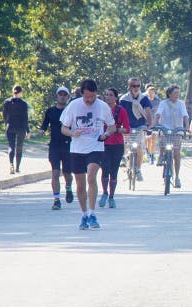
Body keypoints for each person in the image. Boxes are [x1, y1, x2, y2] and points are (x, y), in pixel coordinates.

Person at [60, 78, 116, 230]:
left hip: (96, 146)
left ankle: (92, 213)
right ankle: (84, 214)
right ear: (82, 94)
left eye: (93, 96)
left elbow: (112, 126)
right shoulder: (73, 106)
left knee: (91, 175)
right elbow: (63, 128)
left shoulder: (102, 106)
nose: (90, 100)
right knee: (80, 183)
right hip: (77, 149)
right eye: (87, 97)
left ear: (96, 93)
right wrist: (72, 132)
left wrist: (106, 134)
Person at [39, 86, 73, 210]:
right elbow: (44, 124)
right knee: (55, 172)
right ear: (56, 96)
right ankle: (57, 199)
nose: (62, 97)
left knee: (67, 174)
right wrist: (42, 131)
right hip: (54, 145)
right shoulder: (50, 111)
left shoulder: (71, 111)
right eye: (60, 94)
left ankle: (68, 188)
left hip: (68, 145)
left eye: (65, 95)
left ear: (68, 97)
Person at [98, 88, 130, 209]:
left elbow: (127, 129)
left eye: (111, 95)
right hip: (104, 144)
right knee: (104, 169)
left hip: (117, 144)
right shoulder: (100, 110)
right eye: (106, 95)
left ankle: (111, 196)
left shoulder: (121, 111)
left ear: (116, 97)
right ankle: (104, 192)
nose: (108, 97)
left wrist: (115, 130)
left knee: (114, 170)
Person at [153, 84, 190, 187]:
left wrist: (187, 127)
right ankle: (160, 156)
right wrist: (154, 124)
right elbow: (158, 114)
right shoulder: (163, 103)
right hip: (165, 129)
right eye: (175, 93)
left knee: (177, 153)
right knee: (162, 139)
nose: (177, 95)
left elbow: (185, 116)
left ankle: (177, 177)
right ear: (169, 94)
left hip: (177, 131)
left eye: (178, 93)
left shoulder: (181, 103)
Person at [119, 77, 153, 179]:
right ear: (129, 87)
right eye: (133, 86)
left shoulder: (144, 98)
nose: (136, 88)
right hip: (127, 127)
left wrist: (149, 125)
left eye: (138, 86)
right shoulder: (124, 99)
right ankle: (125, 160)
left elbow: (148, 111)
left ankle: (138, 169)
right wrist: (121, 126)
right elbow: (120, 114)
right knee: (127, 147)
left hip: (140, 126)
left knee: (139, 148)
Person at [2, 84, 30, 174]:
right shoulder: (23, 104)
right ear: (20, 93)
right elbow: (25, 118)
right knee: (19, 147)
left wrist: (6, 123)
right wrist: (28, 131)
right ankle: (17, 167)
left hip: (10, 126)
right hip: (21, 127)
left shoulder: (7, 102)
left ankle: (11, 164)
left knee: (11, 146)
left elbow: (4, 115)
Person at [143, 84, 161, 164]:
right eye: (149, 92)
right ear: (147, 92)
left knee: (153, 140)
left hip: (155, 123)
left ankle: (152, 156)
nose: (151, 94)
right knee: (147, 139)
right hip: (146, 123)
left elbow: (160, 112)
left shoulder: (158, 101)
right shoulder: (144, 100)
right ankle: (148, 152)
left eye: (153, 92)